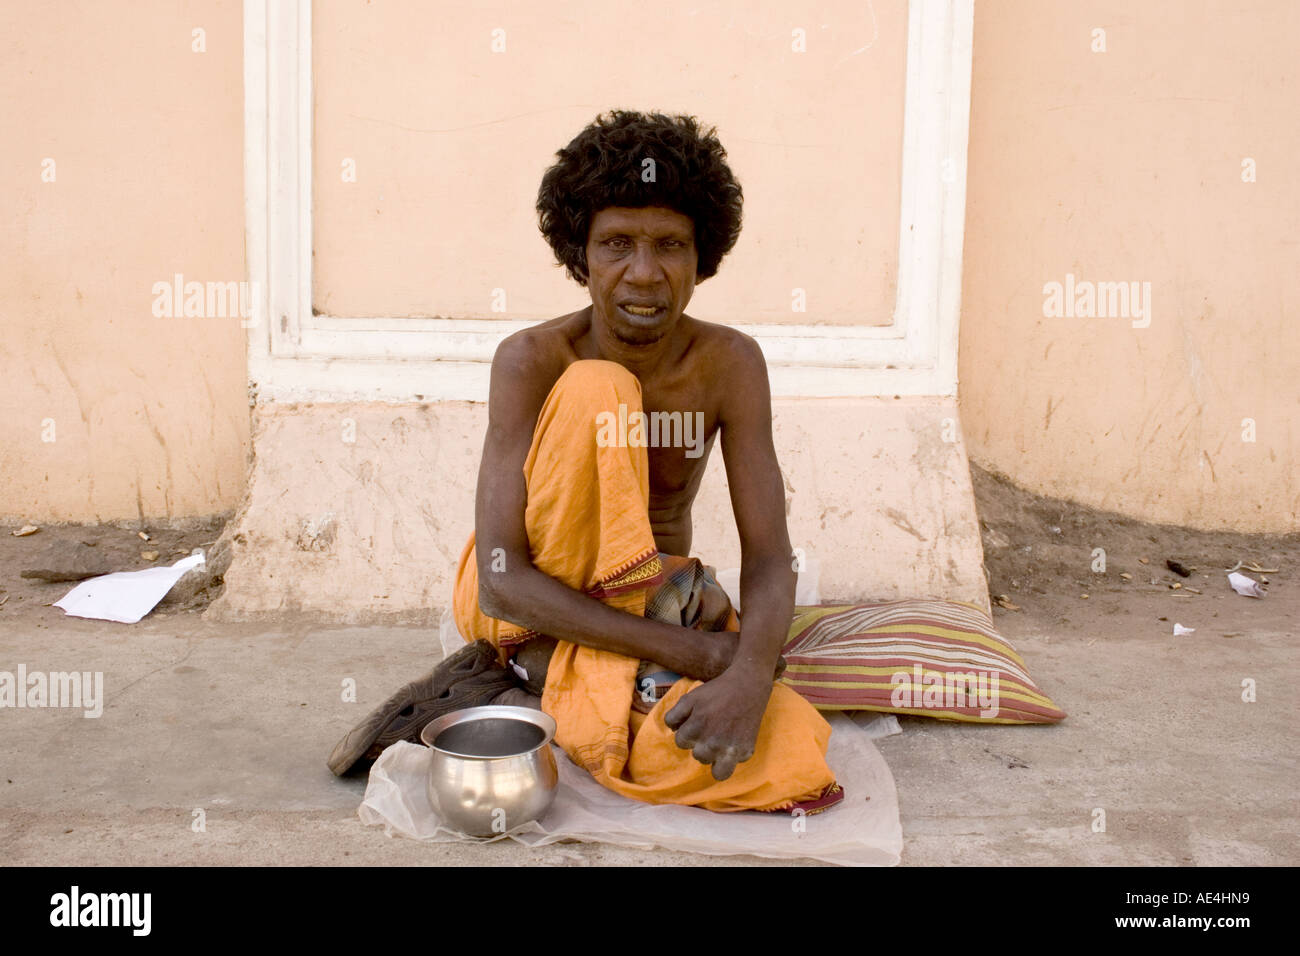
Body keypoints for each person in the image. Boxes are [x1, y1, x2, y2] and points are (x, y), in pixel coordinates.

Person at [332, 111, 840, 815]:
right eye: (616, 244)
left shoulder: (730, 363)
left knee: (784, 760)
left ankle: (523, 689)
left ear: (703, 258)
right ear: (582, 257)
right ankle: (532, 668)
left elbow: (769, 556)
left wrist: (749, 675)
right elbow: (502, 582)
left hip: (648, 601)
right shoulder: (533, 360)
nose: (643, 273)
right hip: (529, 602)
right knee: (601, 391)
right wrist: (698, 656)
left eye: (669, 245)